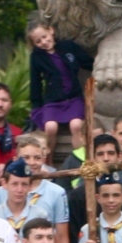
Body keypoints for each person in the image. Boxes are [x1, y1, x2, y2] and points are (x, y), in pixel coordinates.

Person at [26, 18, 91, 152]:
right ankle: (48, 160)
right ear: (34, 44)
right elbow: (36, 82)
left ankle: (79, 161)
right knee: (50, 127)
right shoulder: (36, 57)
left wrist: (100, 67)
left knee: (76, 126)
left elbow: (87, 61)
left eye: (44, 37)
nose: (43, 42)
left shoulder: (68, 46)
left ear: (51, 30)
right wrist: (36, 107)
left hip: (74, 98)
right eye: (38, 41)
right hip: (53, 100)